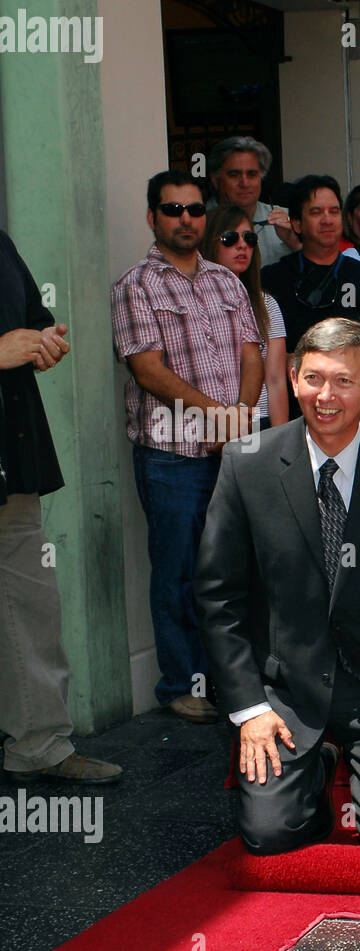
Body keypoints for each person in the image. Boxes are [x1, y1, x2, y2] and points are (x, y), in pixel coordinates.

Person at [195, 318, 360, 855]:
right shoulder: (248, 464)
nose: (325, 396)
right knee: (270, 834)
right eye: (312, 379)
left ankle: (342, 762)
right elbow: (218, 597)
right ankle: (315, 769)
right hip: (283, 690)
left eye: (344, 381)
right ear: (292, 377)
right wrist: (248, 709)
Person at [111, 169, 263, 724]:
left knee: (227, 571)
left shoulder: (227, 282)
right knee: (177, 573)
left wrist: (241, 416)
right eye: (172, 210)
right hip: (170, 455)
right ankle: (181, 684)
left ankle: (228, 682)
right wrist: (217, 414)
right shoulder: (135, 285)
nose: (185, 220)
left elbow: (253, 354)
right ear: (152, 217)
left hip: (231, 452)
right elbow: (147, 370)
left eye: (195, 210)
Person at [1, 230, 121, 786]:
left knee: (31, 604)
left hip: (12, 456)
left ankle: (39, 744)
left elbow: (34, 316)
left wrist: (44, 341)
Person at [260, 174, 360, 424]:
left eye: (334, 211)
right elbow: (267, 366)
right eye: (316, 212)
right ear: (296, 223)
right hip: (295, 419)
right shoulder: (272, 279)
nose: (327, 220)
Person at [201, 204, 289, 428]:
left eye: (249, 238)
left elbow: (276, 380)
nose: (242, 245)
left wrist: (280, 440)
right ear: (209, 242)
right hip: (208, 425)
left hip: (259, 423)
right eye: (230, 238)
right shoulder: (193, 301)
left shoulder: (266, 303)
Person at [206, 136, 298, 268]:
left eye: (252, 174)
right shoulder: (199, 222)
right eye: (234, 175)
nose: (244, 183)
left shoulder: (289, 221)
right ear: (216, 180)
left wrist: (297, 244)